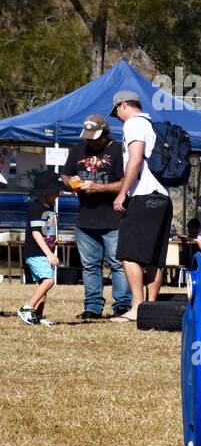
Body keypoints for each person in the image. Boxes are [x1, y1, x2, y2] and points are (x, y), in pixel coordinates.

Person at [59, 112, 131, 319]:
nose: (92, 141)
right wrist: (70, 182)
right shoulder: (77, 149)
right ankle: (92, 307)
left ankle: (122, 305)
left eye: (96, 137)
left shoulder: (118, 151)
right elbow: (65, 173)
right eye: (88, 136)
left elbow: (126, 182)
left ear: (105, 134)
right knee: (90, 266)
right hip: (85, 220)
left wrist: (98, 188)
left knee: (118, 264)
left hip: (113, 220)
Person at [109, 90, 173, 322]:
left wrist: (122, 193)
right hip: (163, 197)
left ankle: (137, 307)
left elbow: (135, 159)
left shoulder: (133, 124)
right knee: (154, 256)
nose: (116, 117)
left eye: (116, 111)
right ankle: (151, 309)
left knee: (128, 253)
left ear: (124, 105)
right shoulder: (151, 124)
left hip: (143, 195)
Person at [18, 171, 61, 326]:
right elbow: (36, 233)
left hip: (44, 251)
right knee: (49, 281)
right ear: (46, 191)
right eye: (56, 190)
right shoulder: (36, 207)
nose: (58, 193)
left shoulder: (48, 205)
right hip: (36, 252)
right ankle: (27, 308)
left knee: (43, 285)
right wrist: (49, 254)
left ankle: (37, 315)